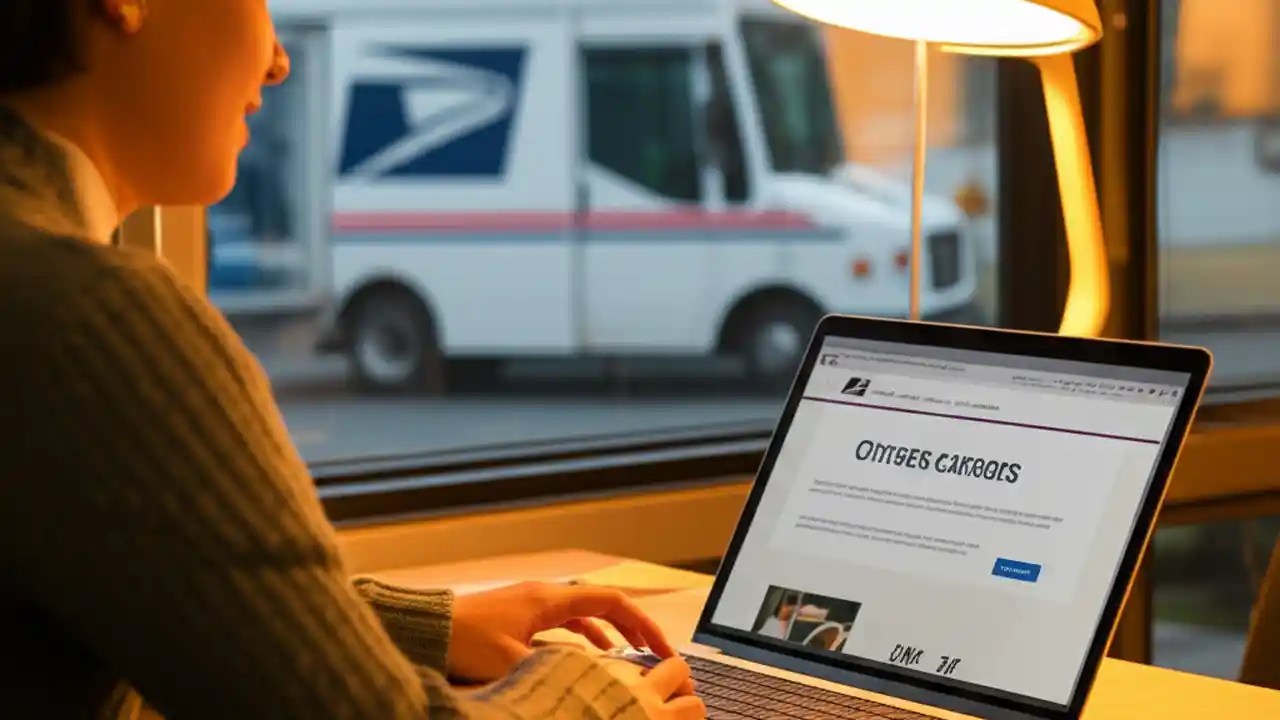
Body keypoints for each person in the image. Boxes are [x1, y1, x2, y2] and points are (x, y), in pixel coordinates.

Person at [0, 2, 705, 719]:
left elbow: (134, 586)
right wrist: (603, 699)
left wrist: (412, 629)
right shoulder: (90, 320)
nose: (279, 60)